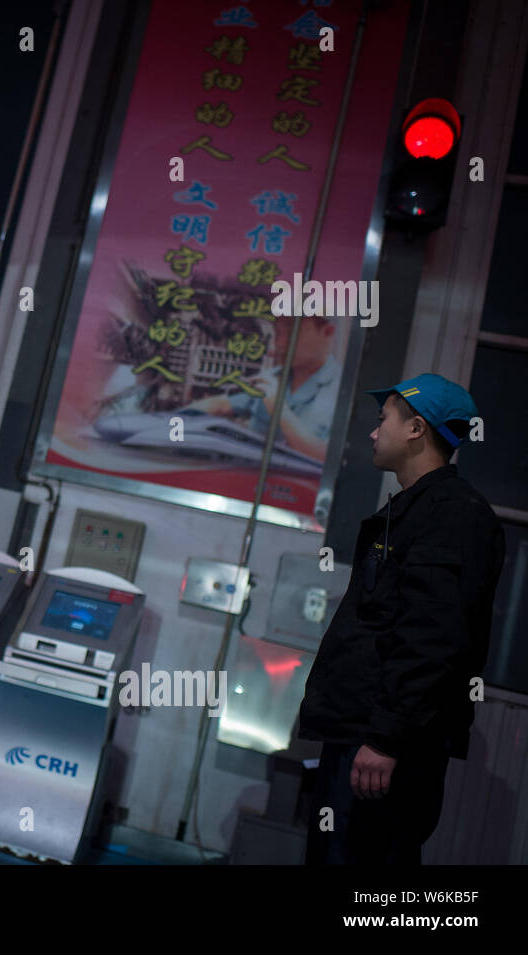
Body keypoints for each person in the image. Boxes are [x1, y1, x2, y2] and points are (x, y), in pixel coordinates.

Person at [298, 373, 506, 865]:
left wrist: (385, 737)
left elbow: (434, 639)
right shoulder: (413, 511)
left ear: (416, 428)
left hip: (384, 751)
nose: (373, 432)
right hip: (363, 737)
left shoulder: (454, 516)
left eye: (383, 419)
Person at [184, 315, 339, 461]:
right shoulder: (274, 377)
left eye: (293, 333)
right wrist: (173, 420)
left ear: (327, 332)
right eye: (278, 333)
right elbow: (221, 405)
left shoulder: (342, 392)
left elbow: (327, 458)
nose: (280, 343)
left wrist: (279, 411)